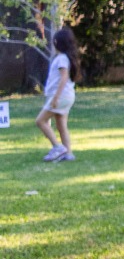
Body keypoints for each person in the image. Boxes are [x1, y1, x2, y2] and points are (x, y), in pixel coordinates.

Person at [37, 27, 82, 162]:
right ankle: (68, 153)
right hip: (67, 96)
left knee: (40, 121)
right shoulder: (67, 58)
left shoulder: (62, 58)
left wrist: (55, 98)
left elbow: (63, 78)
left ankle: (57, 147)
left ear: (58, 43)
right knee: (61, 125)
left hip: (60, 96)